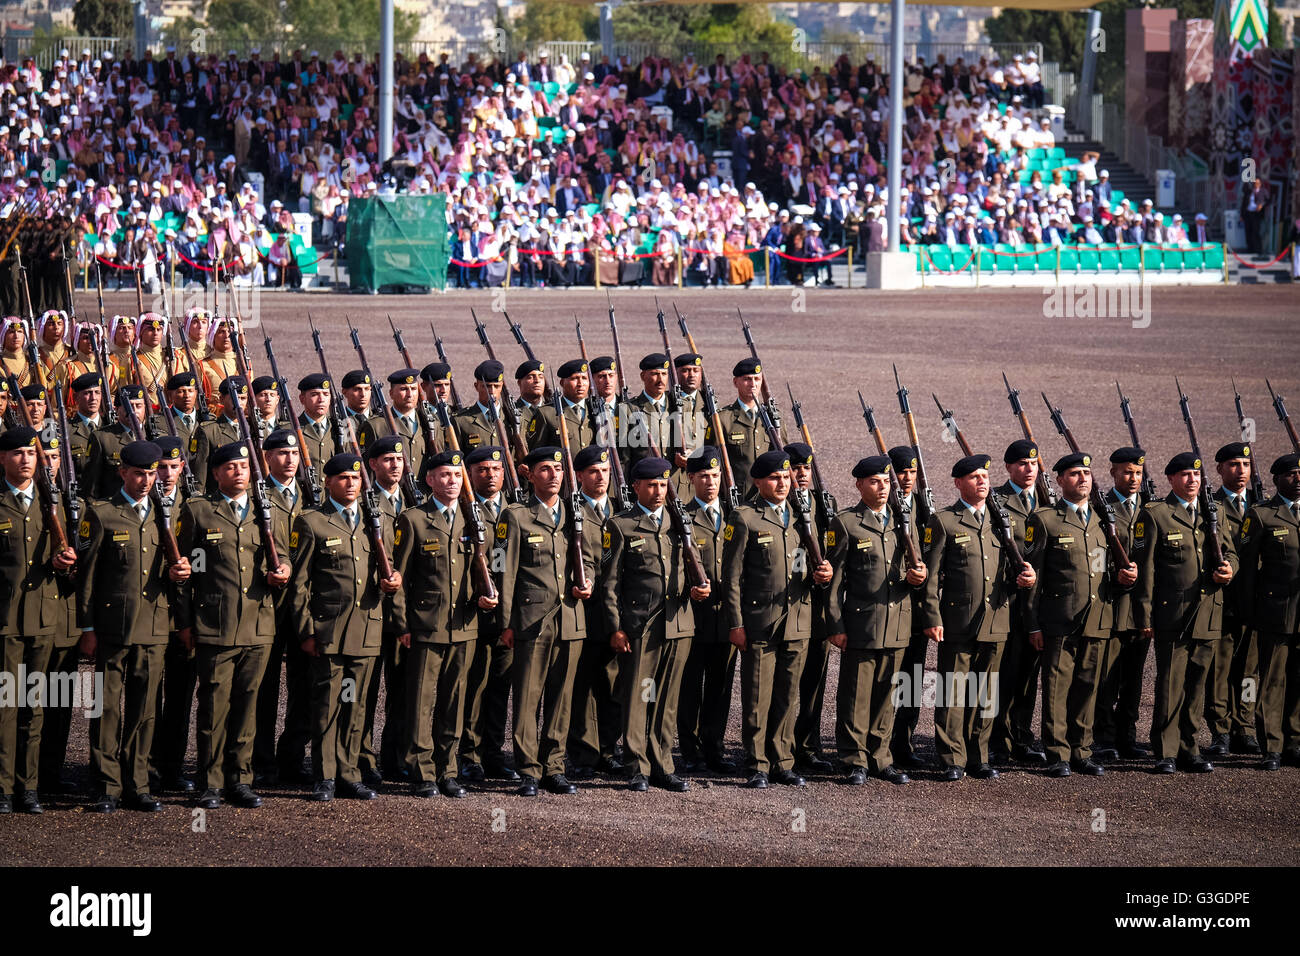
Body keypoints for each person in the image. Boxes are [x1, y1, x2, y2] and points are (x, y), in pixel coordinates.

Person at [175, 441, 289, 809]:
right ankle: (210, 781)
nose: (238, 472)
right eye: (230, 467)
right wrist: (185, 622)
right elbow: (183, 574)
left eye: (243, 466)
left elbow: (282, 554)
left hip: (258, 624)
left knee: (248, 706)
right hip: (215, 623)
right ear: (216, 473)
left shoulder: (266, 510)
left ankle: (240, 778)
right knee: (213, 706)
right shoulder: (199, 511)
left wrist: (282, 570)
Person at [79, 440, 192, 812]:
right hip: (112, 626)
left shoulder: (170, 514)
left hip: (155, 624)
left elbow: (177, 573)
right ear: (123, 472)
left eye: (152, 472)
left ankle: (138, 783)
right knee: (107, 708)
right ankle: (107, 785)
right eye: (140, 473)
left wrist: (180, 574)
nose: (147, 480)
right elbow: (88, 578)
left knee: (145, 710)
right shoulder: (102, 514)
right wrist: (87, 628)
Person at [288, 453, 404, 802]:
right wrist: (307, 631)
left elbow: (389, 569)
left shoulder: (376, 520)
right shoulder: (312, 522)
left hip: (365, 632)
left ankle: (349, 772)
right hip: (329, 632)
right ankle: (324, 775)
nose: (351, 483)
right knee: (327, 704)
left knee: (355, 705)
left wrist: (393, 580)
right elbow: (299, 584)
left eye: (355, 478)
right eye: (342, 478)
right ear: (328, 483)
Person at [919, 453, 1036, 781]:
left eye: (985, 476)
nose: (982, 481)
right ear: (959, 483)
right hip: (958, 620)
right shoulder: (945, 521)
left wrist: (1027, 576)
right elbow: (931, 576)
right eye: (974, 477)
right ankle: (951, 757)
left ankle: (978, 756)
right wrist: (932, 616)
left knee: (985, 692)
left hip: (996, 618)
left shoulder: (1003, 521)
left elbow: (1016, 567)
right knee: (954, 691)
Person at [722, 450, 833, 789]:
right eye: (775, 478)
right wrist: (736, 623)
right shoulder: (744, 518)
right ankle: (757, 762)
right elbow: (732, 578)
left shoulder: (803, 515)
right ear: (758, 482)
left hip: (797, 620)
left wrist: (822, 573)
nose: (783, 482)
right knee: (757, 697)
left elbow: (803, 565)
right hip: (760, 622)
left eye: (786, 477)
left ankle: (782, 760)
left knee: (787, 696)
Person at [1025, 453, 1138, 778]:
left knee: (1088, 687)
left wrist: (1123, 578)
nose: (1083, 479)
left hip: (1097, 619)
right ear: (1060, 480)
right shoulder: (1045, 520)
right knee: (1057, 688)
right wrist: (1032, 623)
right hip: (1059, 620)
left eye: (1087, 473)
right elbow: (1036, 579)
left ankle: (1081, 750)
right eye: (1074, 474)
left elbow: (1106, 571)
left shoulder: (1105, 521)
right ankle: (1058, 752)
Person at [395, 449, 498, 798]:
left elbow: (483, 570)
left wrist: (486, 597)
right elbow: (400, 579)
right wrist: (403, 625)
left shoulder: (476, 517)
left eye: (456, 476)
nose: (452, 481)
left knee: (454, 702)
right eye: (444, 475)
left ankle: (447, 768)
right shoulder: (413, 519)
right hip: (426, 624)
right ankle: (421, 770)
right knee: (422, 701)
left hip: (464, 624)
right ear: (429, 480)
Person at [600, 456, 705, 792]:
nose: (659, 491)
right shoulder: (621, 526)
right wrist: (616, 627)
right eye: (652, 485)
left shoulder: (680, 522)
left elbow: (695, 564)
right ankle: (636, 765)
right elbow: (610, 583)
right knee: (640, 695)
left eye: (663, 485)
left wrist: (700, 587)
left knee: (667, 698)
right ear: (636, 488)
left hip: (677, 623)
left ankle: (663, 764)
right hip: (641, 626)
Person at [495, 446, 593, 797]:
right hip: (531, 620)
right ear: (530, 474)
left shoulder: (575, 513)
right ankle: (528, 770)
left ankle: (554, 766)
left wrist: (589, 581)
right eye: (545, 469)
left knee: (561, 698)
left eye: (557, 469)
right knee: (527, 698)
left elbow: (590, 558)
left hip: (570, 619)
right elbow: (504, 571)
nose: (553, 475)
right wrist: (505, 622)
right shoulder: (516, 516)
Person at [1132, 452, 1238, 774]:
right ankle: (1165, 750)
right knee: (1169, 683)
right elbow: (1146, 570)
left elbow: (1231, 550)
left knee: (1196, 684)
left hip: (1207, 612)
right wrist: (1145, 616)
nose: (1192, 480)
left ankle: (1189, 748)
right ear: (1171, 479)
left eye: (1196, 475)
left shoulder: (1214, 511)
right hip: (1172, 615)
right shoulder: (1157, 515)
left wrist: (1229, 568)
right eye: (1185, 475)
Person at [825, 455, 927, 786]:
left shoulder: (902, 520)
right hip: (861, 624)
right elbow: (833, 581)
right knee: (855, 695)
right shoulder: (846, 523)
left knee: (887, 695)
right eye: (874, 482)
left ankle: (881, 757)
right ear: (859, 485)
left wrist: (918, 575)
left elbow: (917, 566)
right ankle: (854, 759)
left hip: (898, 623)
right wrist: (835, 625)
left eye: (885, 482)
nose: (882, 487)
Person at [0, 427, 78, 814]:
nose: (26, 459)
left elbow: (70, 566)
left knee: (34, 708)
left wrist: (64, 565)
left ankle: (27, 788)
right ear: (2, 459)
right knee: (5, 709)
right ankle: (2, 787)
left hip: (45, 619)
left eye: (30, 453)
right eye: (16, 453)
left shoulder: (55, 503)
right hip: (6, 622)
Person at [457, 445, 519, 782]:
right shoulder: (461, 510)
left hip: (507, 616)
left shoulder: (516, 510)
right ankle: (469, 755)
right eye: (481, 469)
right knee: (474, 688)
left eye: (495, 468)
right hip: (473, 615)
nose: (490, 474)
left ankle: (493, 754)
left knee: (500, 690)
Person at [1236, 454, 1300, 770]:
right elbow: (1247, 570)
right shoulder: (1262, 515)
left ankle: (1294, 742)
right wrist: (1249, 611)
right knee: (1272, 681)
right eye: (1291, 474)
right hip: (1275, 611)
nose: (1298, 478)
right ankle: (1272, 746)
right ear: (1276, 480)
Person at [566, 444, 624, 780]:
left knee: (612, 684)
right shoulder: (571, 512)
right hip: (583, 611)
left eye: (604, 471)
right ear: (580, 476)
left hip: (614, 613)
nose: (600, 476)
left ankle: (607, 748)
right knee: (581, 685)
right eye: (593, 472)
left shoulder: (621, 509)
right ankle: (581, 752)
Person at [676, 448, 736, 773]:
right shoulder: (683, 519)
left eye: (714, 476)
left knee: (720, 688)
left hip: (725, 618)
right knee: (690, 688)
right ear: (690, 478)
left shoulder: (733, 516)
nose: (710, 482)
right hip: (693, 620)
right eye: (703, 476)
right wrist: (690, 589)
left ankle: (715, 749)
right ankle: (690, 751)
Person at [990, 439, 1047, 765]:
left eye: (1034, 464)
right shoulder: (996, 500)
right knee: (1003, 675)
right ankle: (998, 740)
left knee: (1029, 674)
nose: (1029, 470)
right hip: (1007, 602)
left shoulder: (1047, 500)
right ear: (1009, 467)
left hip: (1039, 603)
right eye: (1022, 465)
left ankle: (1023, 737)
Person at [1093, 447, 1152, 760]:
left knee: (1134, 678)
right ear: (1113, 472)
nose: (1133, 479)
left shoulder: (1152, 507)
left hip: (1142, 609)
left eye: (1138, 473)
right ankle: (1103, 736)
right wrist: (1116, 575)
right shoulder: (1102, 508)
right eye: (1127, 472)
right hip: (1112, 607)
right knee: (1107, 677)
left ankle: (1128, 736)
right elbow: (1093, 557)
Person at [1203, 442, 1261, 757]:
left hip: (1255, 602)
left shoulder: (1262, 505)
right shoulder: (1210, 506)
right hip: (1223, 600)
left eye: (1245, 465)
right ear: (1220, 469)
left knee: (1250, 671)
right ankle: (1220, 730)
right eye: (1234, 465)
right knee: (1219, 670)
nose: (1240, 471)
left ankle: (1246, 727)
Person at [705, 357, 774, 500]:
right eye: (747, 379)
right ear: (736, 382)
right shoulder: (723, 419)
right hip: (738, 498)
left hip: (768, 498)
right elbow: (710, 461)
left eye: (757, 379)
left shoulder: (773, 418)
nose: (753, 384)